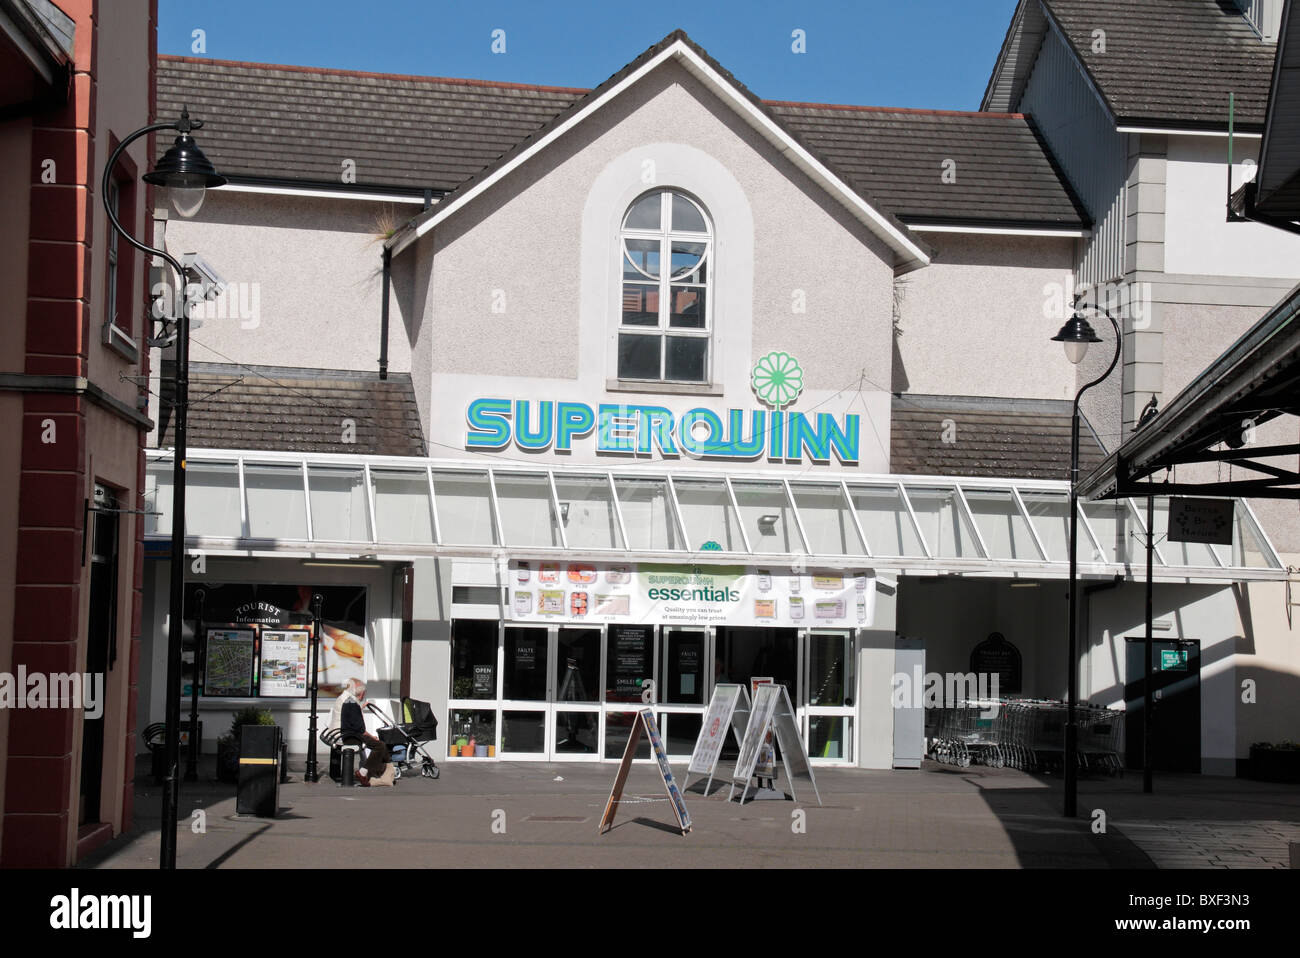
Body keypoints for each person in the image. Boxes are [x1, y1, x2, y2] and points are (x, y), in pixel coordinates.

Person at [331, 678, 391, 786]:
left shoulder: (350, 701)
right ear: (362, 693)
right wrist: (372, 737)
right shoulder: (353, 705)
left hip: (349, 734)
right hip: (352, 737)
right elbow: (361, 729)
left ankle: (375, 771)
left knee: (379, 745)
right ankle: (365, 772)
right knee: (380, 746)